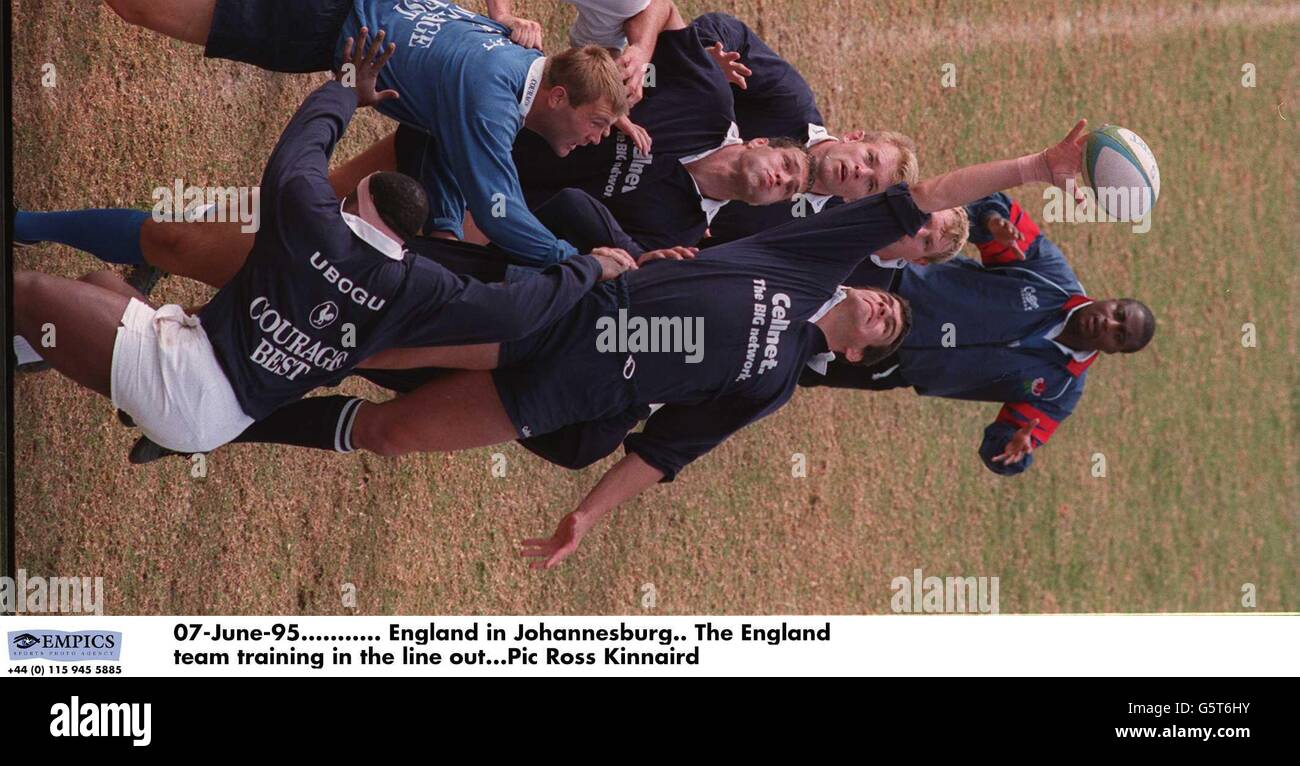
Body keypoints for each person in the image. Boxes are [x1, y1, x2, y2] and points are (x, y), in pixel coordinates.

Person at [137, 121, 1094, 567]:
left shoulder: (771, 386)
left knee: (390, 437)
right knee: (365, 343)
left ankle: (223, 426)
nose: (888, 315)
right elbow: (929, 197)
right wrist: (1035, 168)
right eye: (891, 305)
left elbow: (662, 451)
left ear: (850, 360)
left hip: (551, 395)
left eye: (884, 333)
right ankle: (190, 346)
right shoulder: (815, 254)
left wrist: (588, 519)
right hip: (553, 310)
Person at [13, 39, 627, 455]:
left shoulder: (310, 219)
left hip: (187, 376)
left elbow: (303, 146)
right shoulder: (417, 288)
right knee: (95, 292)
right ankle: (29, 346)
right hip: (224, 419)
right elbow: (514, 312)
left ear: (356, 199)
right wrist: (586, 268)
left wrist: (348, 91)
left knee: (28, 292)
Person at [100, 0, 629, 264]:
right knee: (142, 6)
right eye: (598, 123)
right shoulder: (493, 105)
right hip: (314, 24)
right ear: (558, 97)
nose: (598, 138)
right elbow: (502, 216)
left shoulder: (519, 58)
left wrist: (444, 222)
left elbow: (442, 139)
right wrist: (578, 262)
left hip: (332, 18)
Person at [803, 192, 1157, 475]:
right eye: (1118, 314)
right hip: (887, 290)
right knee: (793, 280)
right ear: (1111, 300)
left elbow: (1000, 450)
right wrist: (992, 222)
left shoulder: (1058, 392)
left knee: (791, 359)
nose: (1110, 324)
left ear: (1112, 351)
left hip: (888, 363)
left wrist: (1013, 450)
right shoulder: (1049, 274)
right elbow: (996, 204)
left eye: (1119, 335)